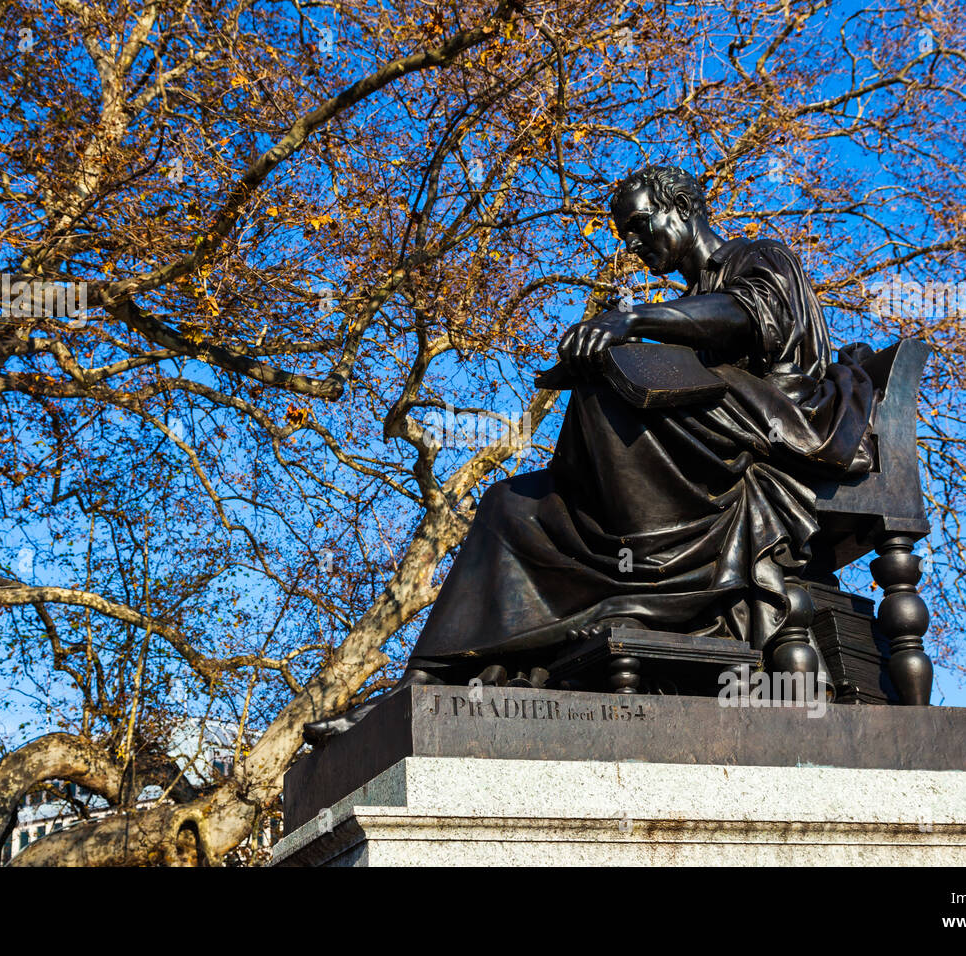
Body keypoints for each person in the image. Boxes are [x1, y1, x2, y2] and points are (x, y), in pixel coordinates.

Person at [304, 164, 874, 744]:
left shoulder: (759, 257)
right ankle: (422, 685)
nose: (631, 243)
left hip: (755, 449)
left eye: (639, 224)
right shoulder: (687, 302)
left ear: (682, 207)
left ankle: (645, 573)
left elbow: (745, 319)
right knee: (507, 505)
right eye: (622, 233)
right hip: (690, 460)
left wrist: (632, 322)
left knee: (608, 381)